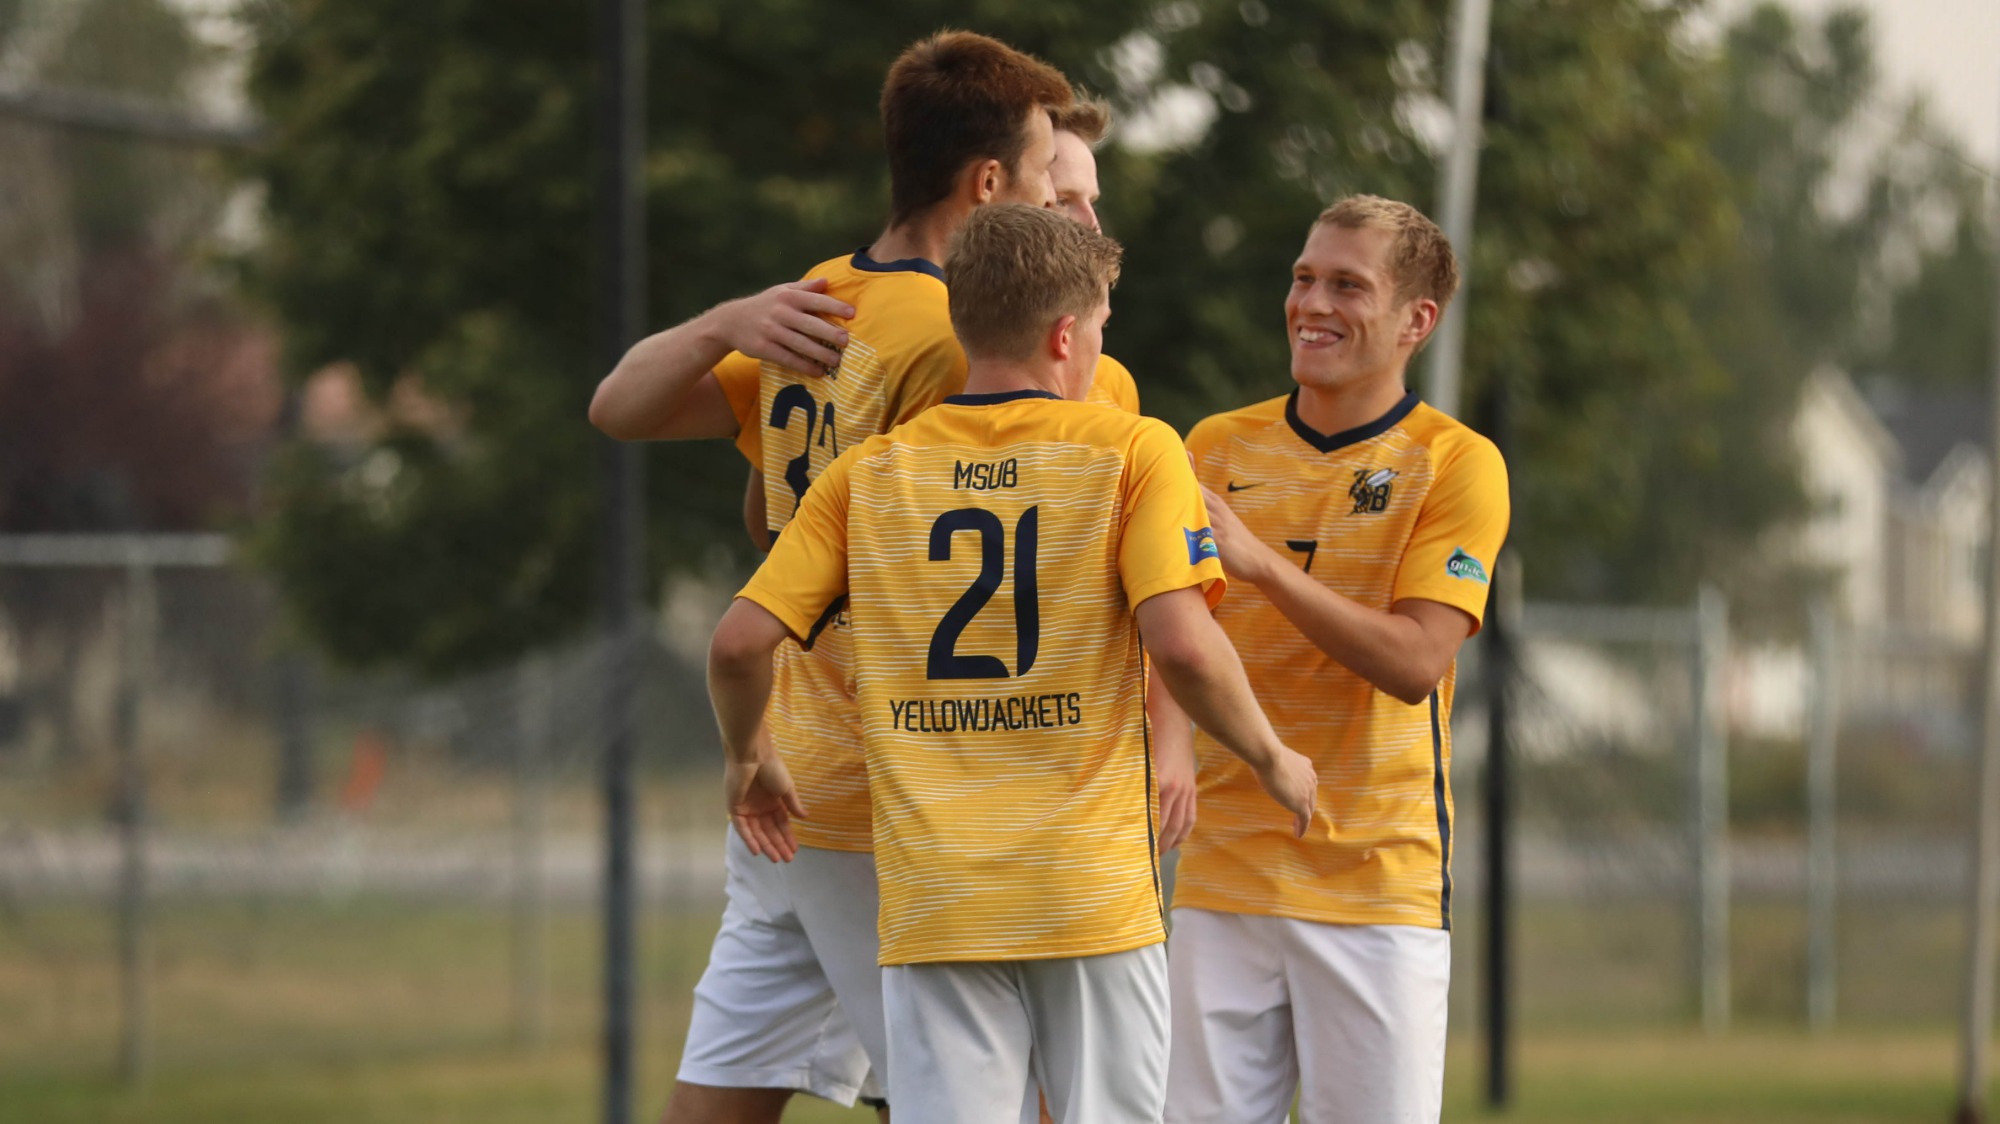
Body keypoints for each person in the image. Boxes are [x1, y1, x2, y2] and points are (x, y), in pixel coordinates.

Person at [707, 203, 1319, 1124]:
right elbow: (1184, 644)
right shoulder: (1132, 449)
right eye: (1102, 323)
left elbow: (739, 642)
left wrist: (748, 759)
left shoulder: (866, 474)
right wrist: (1274, 759)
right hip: (1089, 891)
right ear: (1068, 331)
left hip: (937, 895)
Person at [589, 32, 1073, 1123]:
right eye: (1047, 178)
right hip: (875, 786)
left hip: (783, 771)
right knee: (996, 1096)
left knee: (723, 1094)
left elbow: (630, 415)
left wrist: (720, 320)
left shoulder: (815, 299)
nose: (1056, 204)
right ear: (988, 183)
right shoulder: (956, 339)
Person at [1159, 194, 1511, 1124]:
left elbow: (1416, 661)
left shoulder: (1457, 462)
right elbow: (1170, 635)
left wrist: (1263, 567)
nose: (1312, 303)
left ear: (1416, 321)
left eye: (1347, 285)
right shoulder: (1214, 446)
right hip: (1222, 875)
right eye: (1304, 277)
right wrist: (1166, 751)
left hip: (1376, 890)